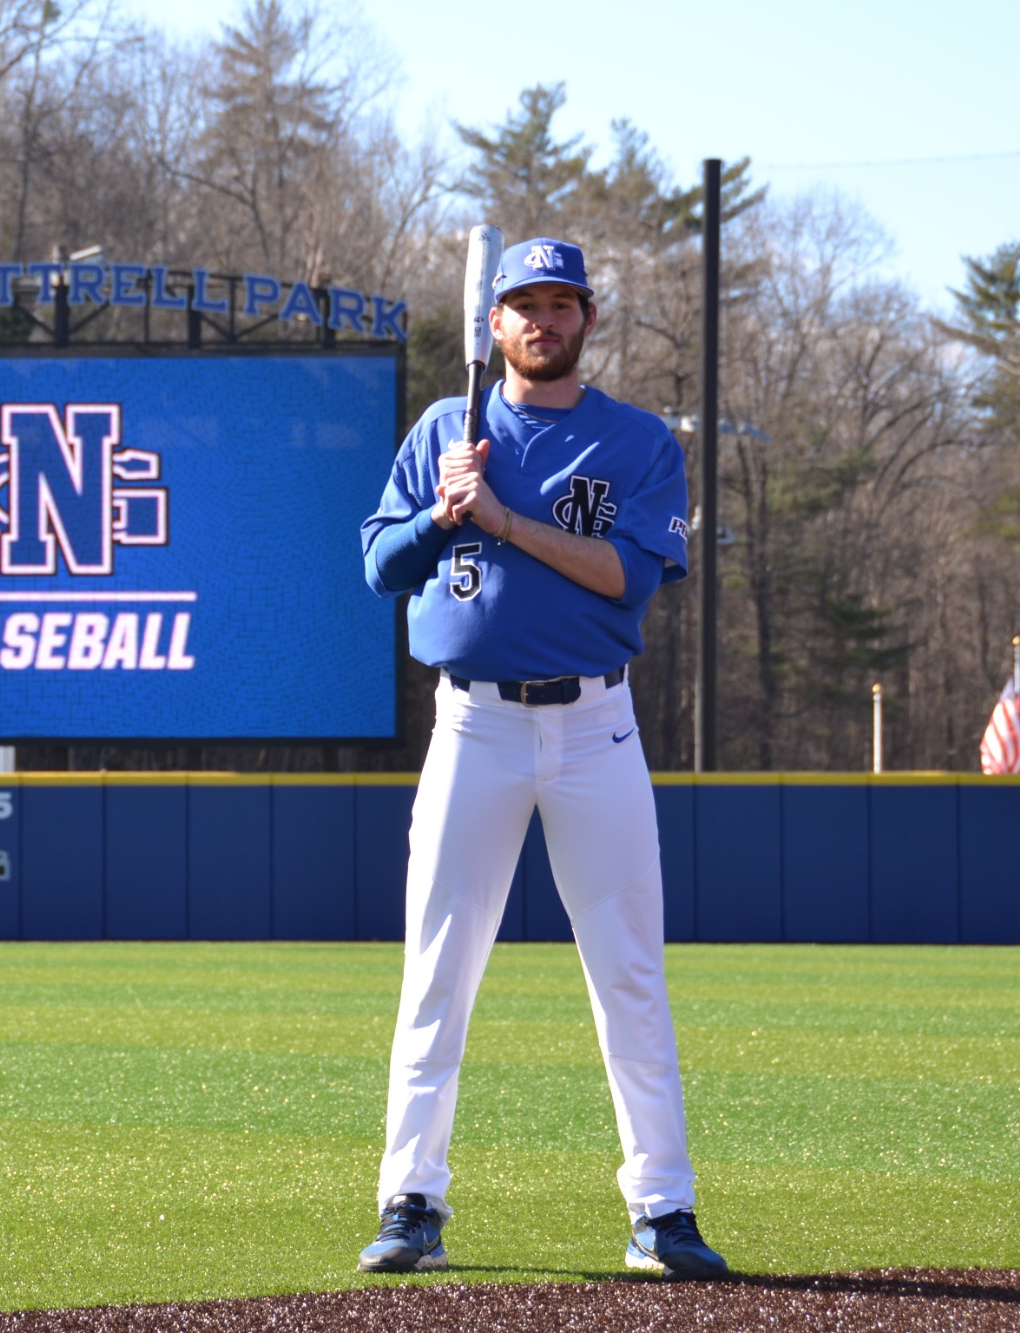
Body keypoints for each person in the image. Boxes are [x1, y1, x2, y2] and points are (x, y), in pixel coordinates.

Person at [354, 236, 728, 1280]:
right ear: (495, 323)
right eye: (523, 303)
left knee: (629, 976)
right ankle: (409, 1201)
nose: (541, 321)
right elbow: (379, 567)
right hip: (471, 727)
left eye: (560, 303)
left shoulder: (637, 441)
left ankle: (662, 1210)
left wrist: (504, 520)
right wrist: (442, 511)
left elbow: (624, 577)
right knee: (437, 973)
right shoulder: (444, 428)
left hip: (594, 730)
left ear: (586, 321)